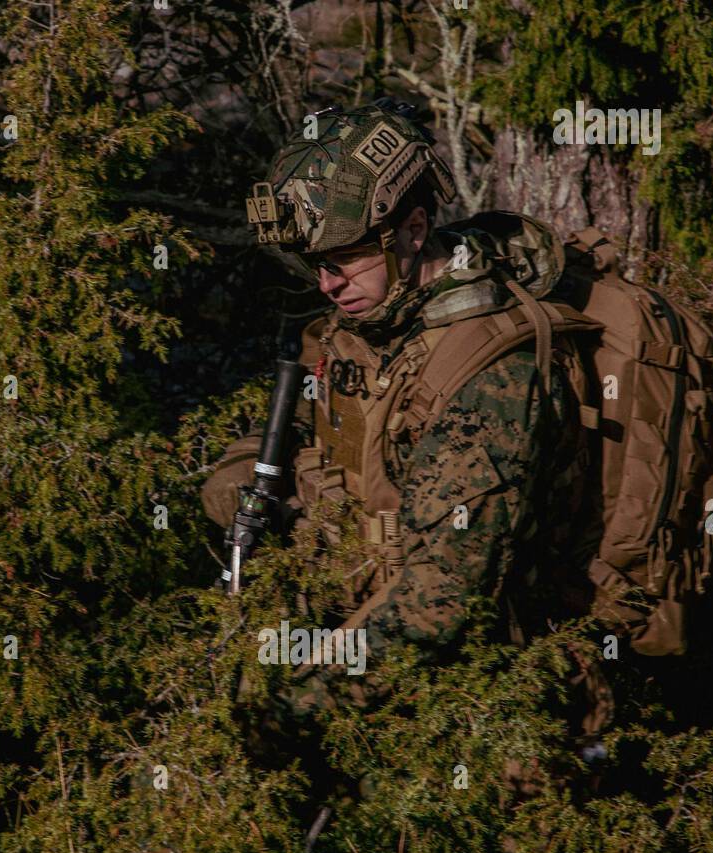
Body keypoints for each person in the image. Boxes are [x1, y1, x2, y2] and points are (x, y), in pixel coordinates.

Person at [202, 99, 600, 723]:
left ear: (414, 231)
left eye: (343, 260)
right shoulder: (372, 321)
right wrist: (244, 477)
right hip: (365, 631)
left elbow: (442, 605)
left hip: (489, 694)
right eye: (315, 266)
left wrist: (294, 711)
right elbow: (305, 431)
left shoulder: (495, 374)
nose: (327, 285)